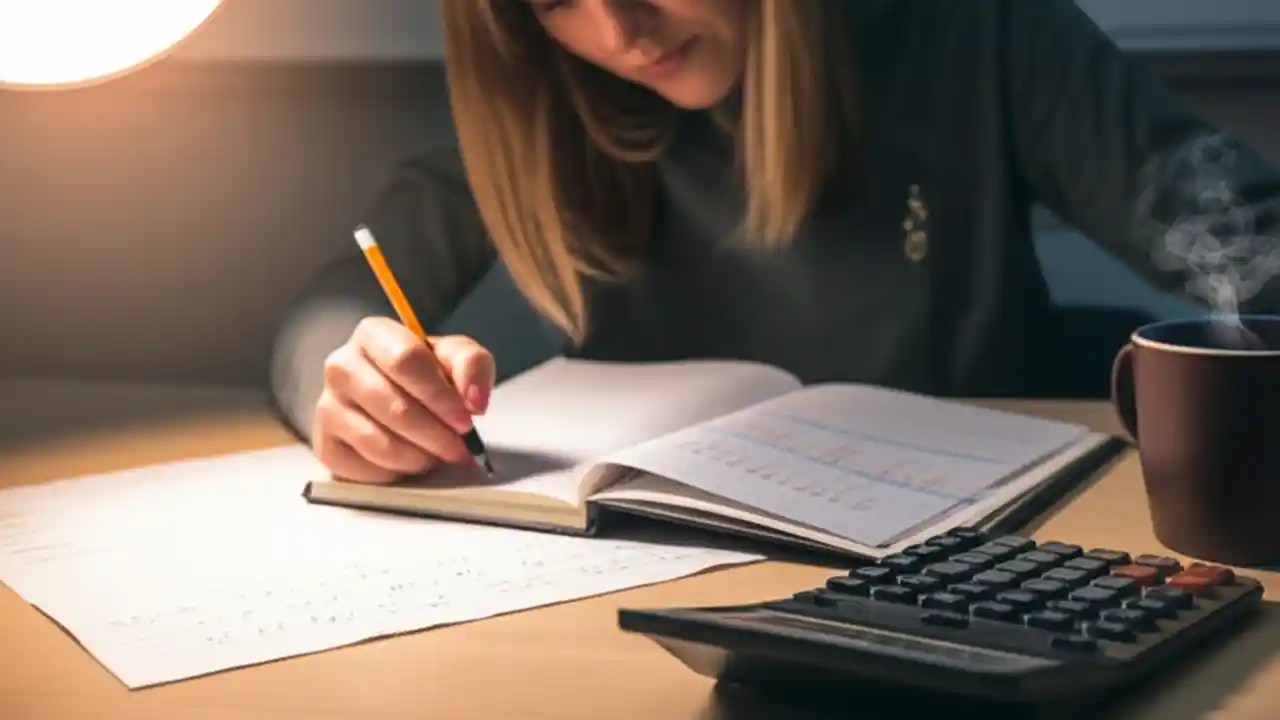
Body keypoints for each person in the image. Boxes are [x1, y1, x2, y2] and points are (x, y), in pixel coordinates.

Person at [269, 0, 1280, 486]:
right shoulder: (554, 102)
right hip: (640, 594)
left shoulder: (970, 29)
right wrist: (357, 381)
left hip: (977, 569)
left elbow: (1246, 238)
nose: (621, 30)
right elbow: (329, 304)